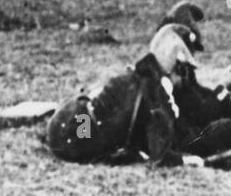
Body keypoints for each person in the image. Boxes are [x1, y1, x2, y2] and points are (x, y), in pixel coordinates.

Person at [45, 24, 202, 165]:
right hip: (77, 136)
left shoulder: (138, 76)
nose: (181, 78)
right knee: (88, 137)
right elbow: (159, 153)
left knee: (89, 125)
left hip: (69, 120)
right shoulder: (155, 91)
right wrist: (184, 160)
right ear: (172, 61)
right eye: (181, 70)